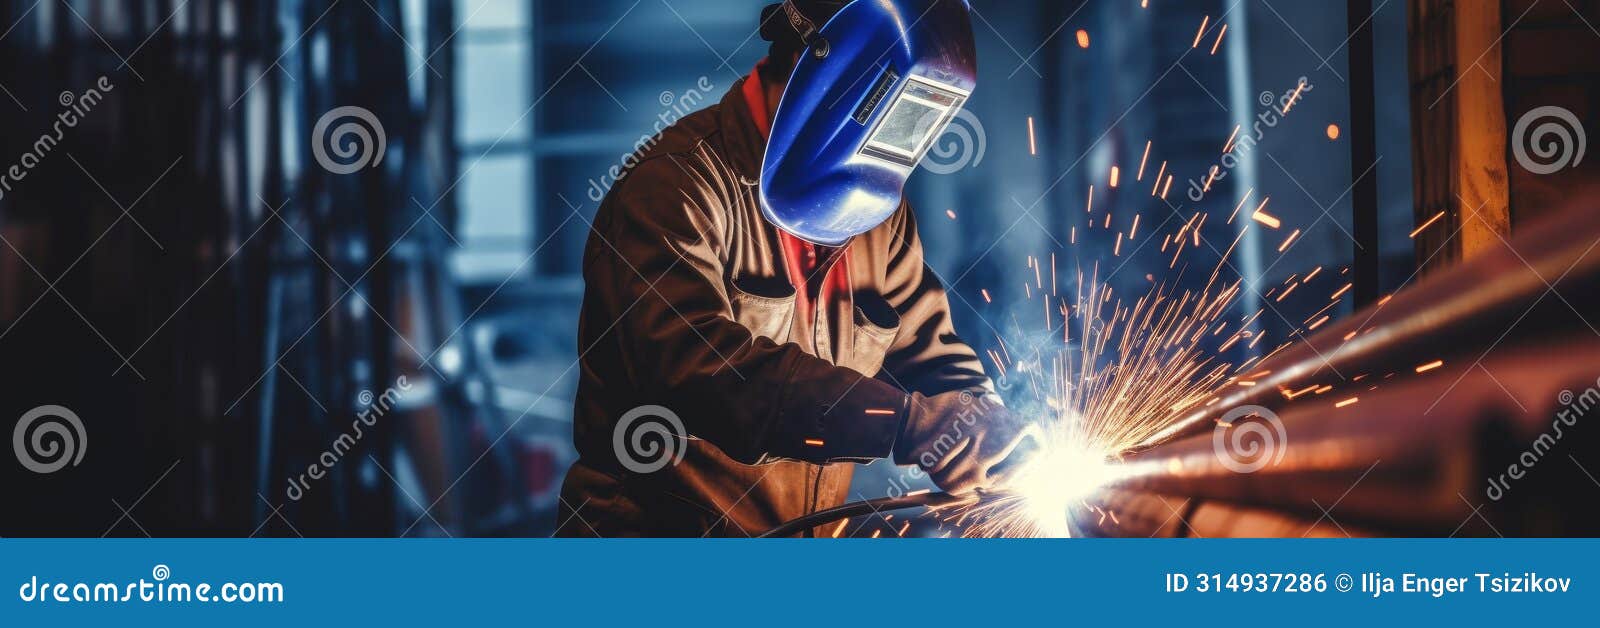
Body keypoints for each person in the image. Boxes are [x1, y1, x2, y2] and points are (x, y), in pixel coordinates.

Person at [557, 0, 1036, 537]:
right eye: (894, 107)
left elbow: (931, 357)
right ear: (832, 73)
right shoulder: (675, 188)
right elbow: (701, 375)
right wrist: (904, 425)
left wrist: (989, 428)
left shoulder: (878, 216)